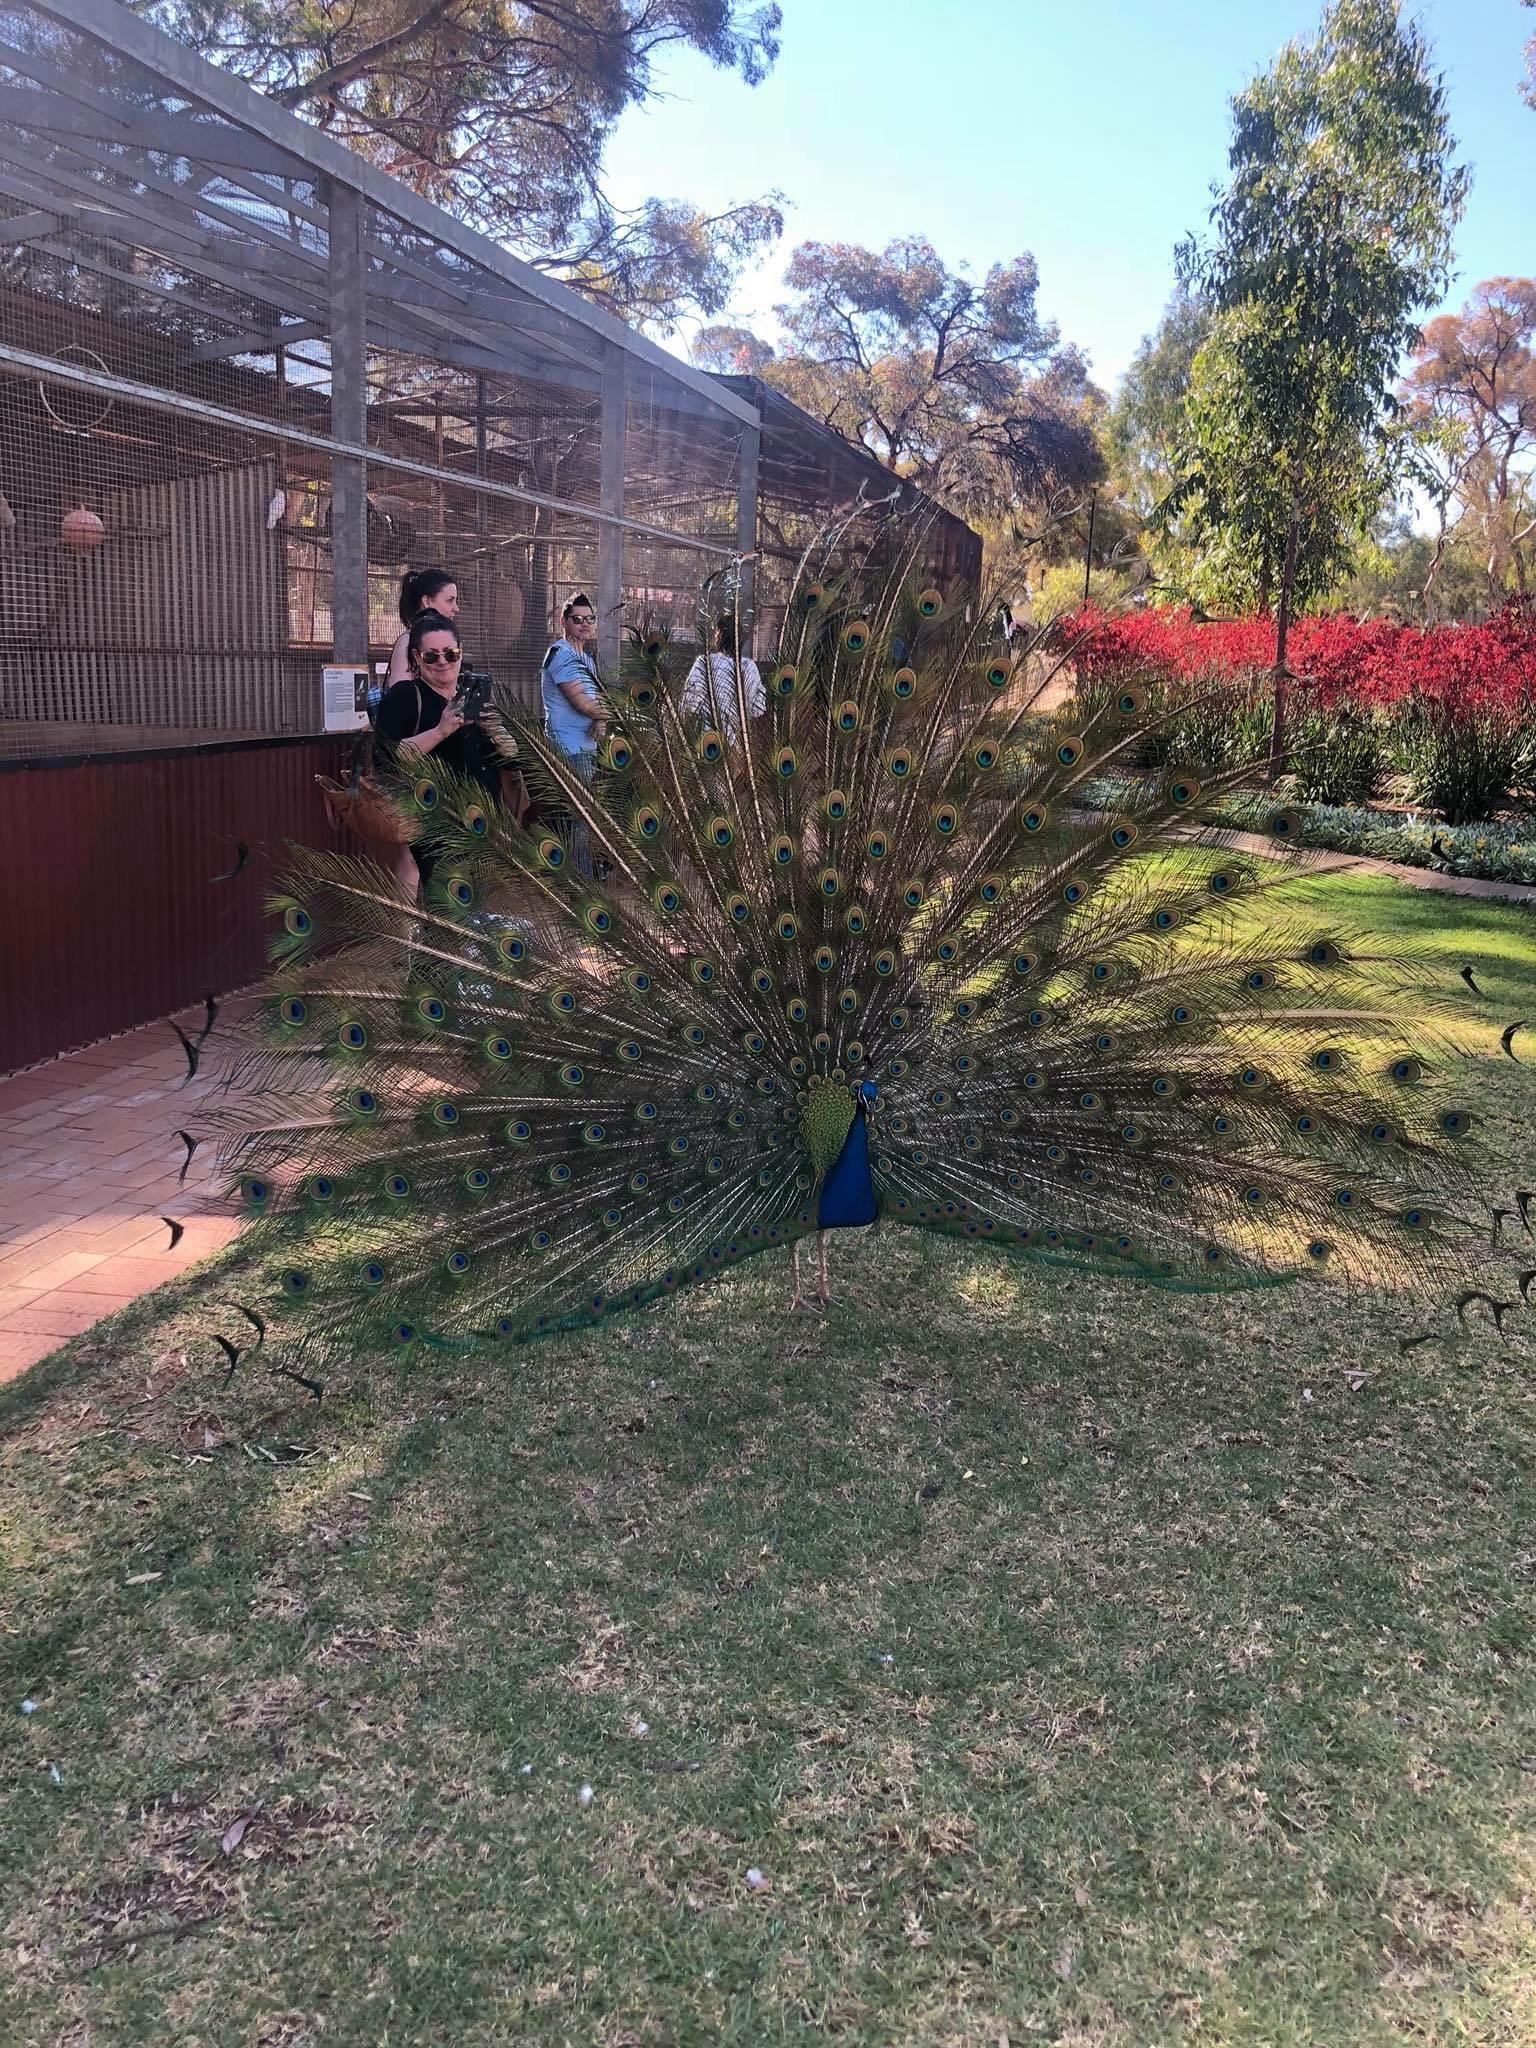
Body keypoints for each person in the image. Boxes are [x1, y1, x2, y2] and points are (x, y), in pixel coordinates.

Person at [375, 610, 501, 892]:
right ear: (418, 657)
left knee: (477, 904)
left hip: (483, 822)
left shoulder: (473, 694)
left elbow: (511, 758)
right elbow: (388, 759)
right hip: (436, 824)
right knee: (448, 905)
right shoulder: (405, 696)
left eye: (451, 654)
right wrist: (441, 730)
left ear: (461, 652)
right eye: (432, 656)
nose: (443, 662)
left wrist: (497, 730)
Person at [539, 593, 608, 873]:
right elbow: (580, 700)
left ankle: (578, 871)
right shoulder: (561, 654)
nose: (584, 624)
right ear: (563, 622)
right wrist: (605, 716)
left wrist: (601, 720)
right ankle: (580, 877)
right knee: (577, 816)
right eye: (577, 619)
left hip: (585, 747)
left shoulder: (586, 659)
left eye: (589, 619)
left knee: (580, 814)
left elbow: (597, 698)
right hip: (567, 747)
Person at [680, 614, 764, 743]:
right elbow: (757, 709)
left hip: (707, 742)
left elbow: (689, 704)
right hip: (739, 744)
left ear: (718, 634)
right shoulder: (748, 667)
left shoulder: (704, 663)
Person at [386, 567, 459, 686]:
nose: (456, 608)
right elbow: (398, 698)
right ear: (427, 602)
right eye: (450, 600)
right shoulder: (407, 642)